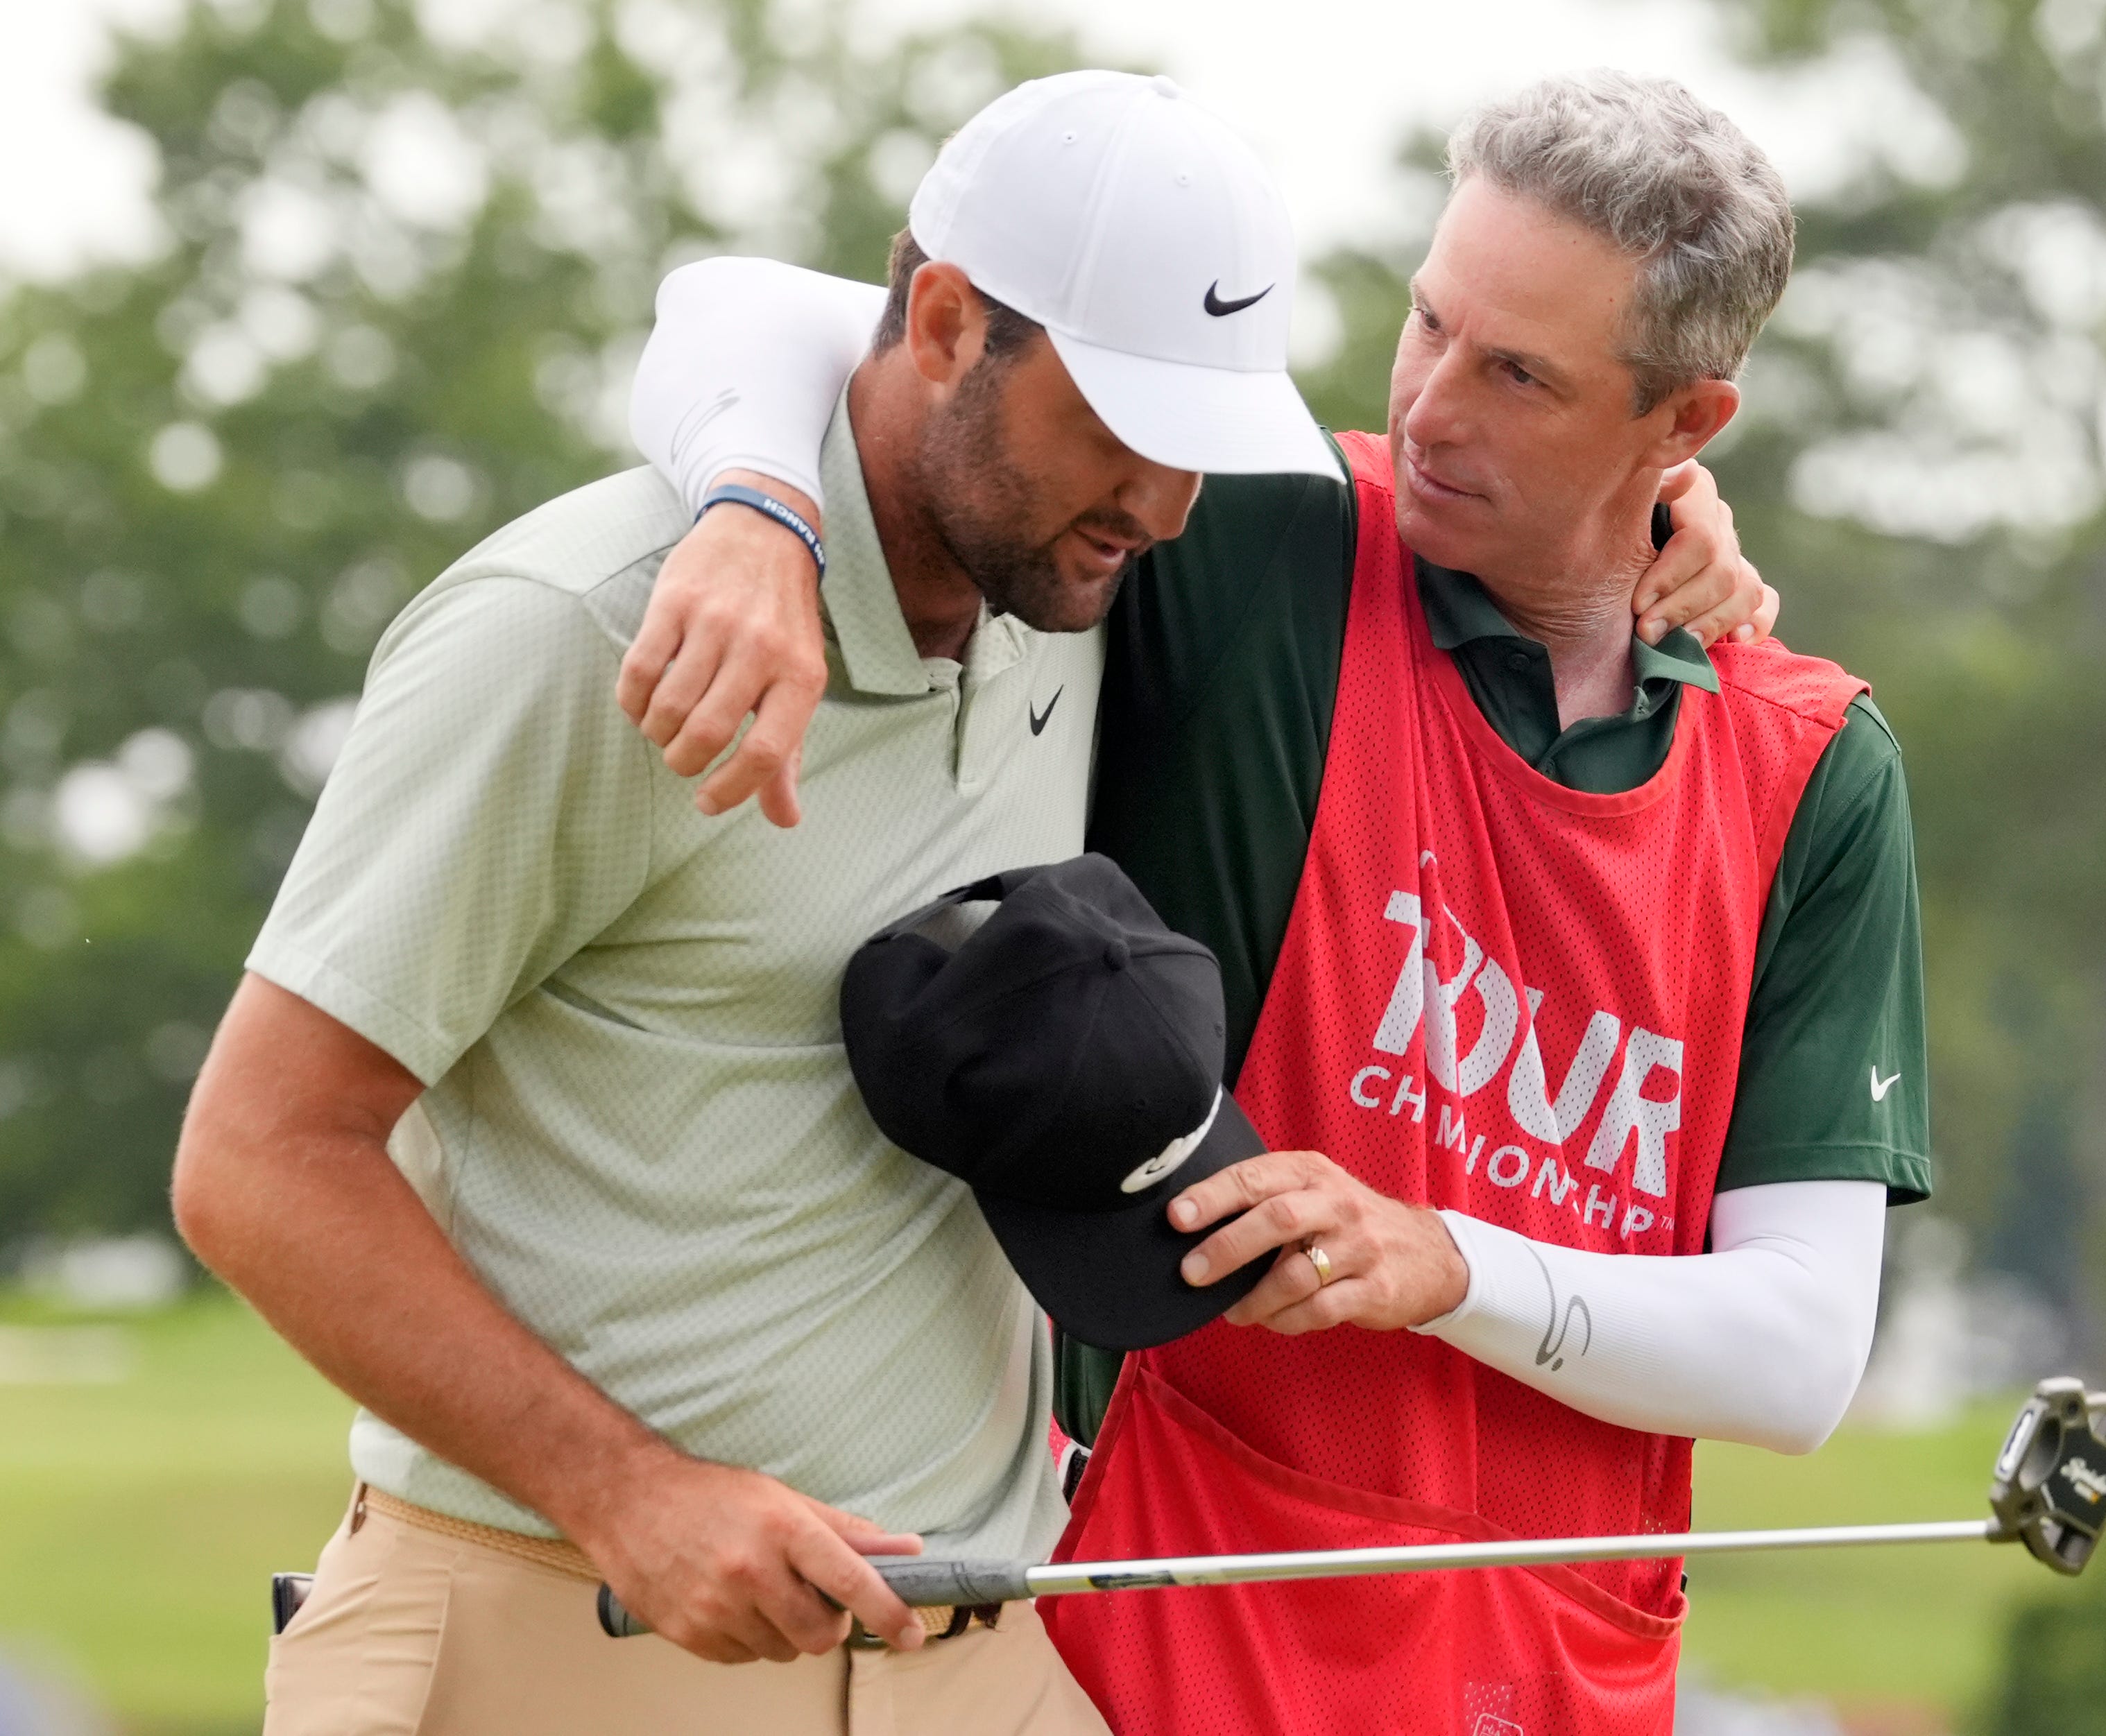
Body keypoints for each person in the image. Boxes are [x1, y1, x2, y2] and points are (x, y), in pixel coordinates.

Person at [623, 71, 1930, 1735]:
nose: (1432, 404)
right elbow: (768, 312)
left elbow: (1797, 1351)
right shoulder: (1263, 541)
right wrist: (755, 501)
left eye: (1517, 372)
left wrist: (1441, 1258)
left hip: (1556, 1673)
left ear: (1683, 427)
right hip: (1147, 1640)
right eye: (1428, 321)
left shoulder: (1813, 769)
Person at [165, 70, 1427, 1736]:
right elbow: (258, 1160)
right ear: (948, 323)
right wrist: (625, 1492)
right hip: (565, 1645)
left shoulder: (1076, 573)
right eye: (1119, 428)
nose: (1167, 505)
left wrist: (1666, 533)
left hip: (978, 1662)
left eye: (1198, 446)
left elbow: (761, 319)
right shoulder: (576, 630)